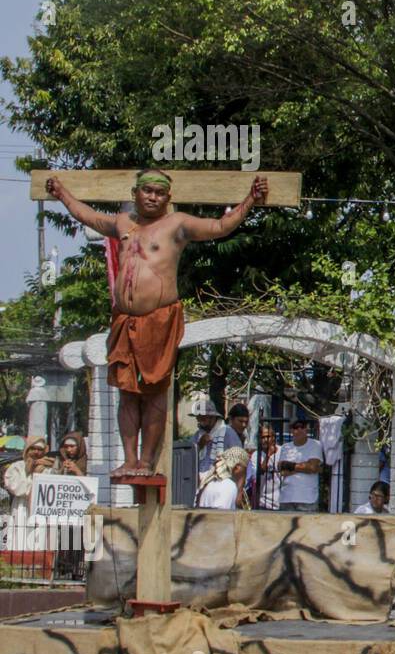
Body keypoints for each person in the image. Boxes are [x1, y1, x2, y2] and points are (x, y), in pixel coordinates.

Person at [44, 170, 267, 477]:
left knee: (154, 391)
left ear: (168, 198)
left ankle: (147, 461)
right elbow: (90, 217)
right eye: (146, 190)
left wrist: (250, 201)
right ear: (135, 192)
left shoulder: (177, 224)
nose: (152, 197)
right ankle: (129, 460)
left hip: (159, 317)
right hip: (124, 319)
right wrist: (62, 194)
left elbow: (219, 226)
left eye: (159, 193)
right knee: (126, 391)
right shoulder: (123, 223)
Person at [277, 418, 324, 512]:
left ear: (306, 429)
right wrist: (306, 466)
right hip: (287, 497)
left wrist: (289, 466)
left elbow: (312, 467)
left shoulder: (315, 445)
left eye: (302, 427)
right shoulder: (286, 447)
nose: (299, 430)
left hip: (307, 499)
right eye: (295, 427)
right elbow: (282, 470)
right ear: (291, 430)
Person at [2, 437, 54, 523]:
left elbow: (48, 492)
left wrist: (37, 474)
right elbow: (17, 489)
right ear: (27, 450)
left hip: (41, 510)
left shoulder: (48, 469)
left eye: (40, 449)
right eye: (33, 448)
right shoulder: (17, 467)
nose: (36, 452)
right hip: (20, 508)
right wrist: (30, 473)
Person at [191, 399, 241, 476]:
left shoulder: (228, 433)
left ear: (213, 417)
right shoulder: (197, 435)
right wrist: (199, 445)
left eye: (203, 418)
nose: (200, 421)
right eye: (198, 418)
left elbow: (240, 462)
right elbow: (188, 458)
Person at [247, 423, 280, 510]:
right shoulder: (256, 455)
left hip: (280, 501)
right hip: (264, 503)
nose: (265, 440)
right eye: (262, 437)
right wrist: (268, 455)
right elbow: (259, 473)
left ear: (273, 437)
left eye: (268, 437)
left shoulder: (282, 451)